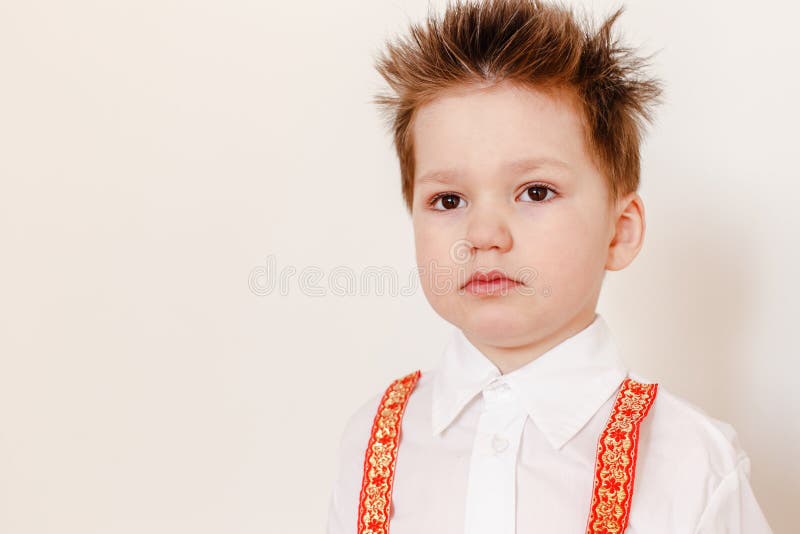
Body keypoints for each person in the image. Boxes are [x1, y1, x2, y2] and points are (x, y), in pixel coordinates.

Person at [326, 0, 773, 532]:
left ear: (620, 231)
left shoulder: (692, 464)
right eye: (449, 200)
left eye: (535, 192)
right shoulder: (372, 443)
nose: (484, 235)